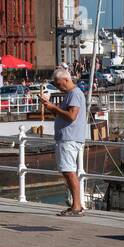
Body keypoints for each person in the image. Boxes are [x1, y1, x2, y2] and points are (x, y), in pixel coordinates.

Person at [41, 67, 87, 217]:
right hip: (67, 137)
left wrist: (53, 107)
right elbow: (64, 115)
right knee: (68, 171)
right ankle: (77, 205)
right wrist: (50, 107)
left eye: (59, 84)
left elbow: (72, 116)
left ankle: (76, 206)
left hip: (69, 138)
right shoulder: (71, 94)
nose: (58, 87)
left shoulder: (74, 94)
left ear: (66, 80)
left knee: (69, 171)